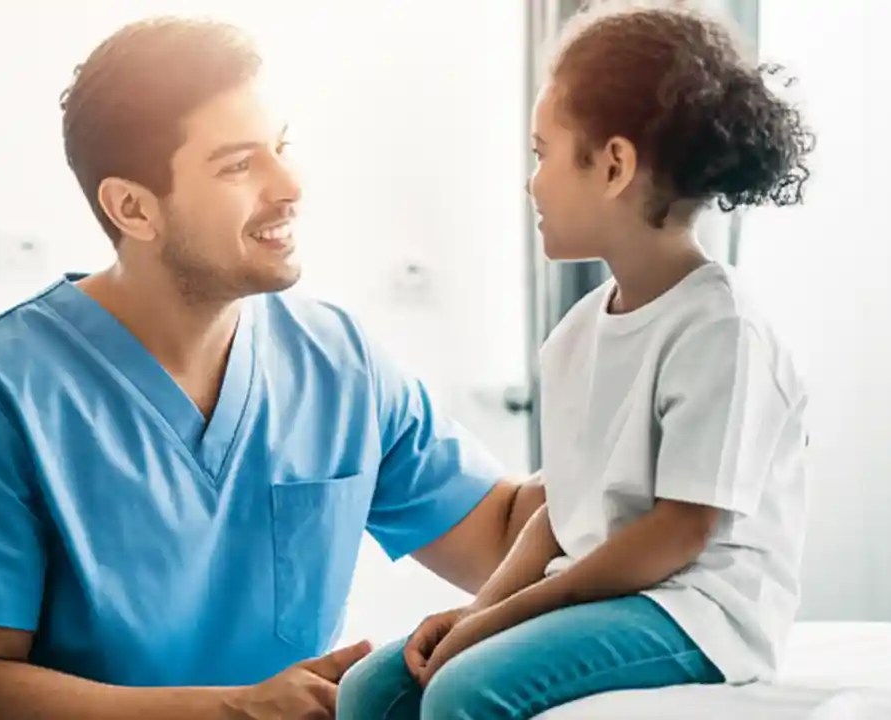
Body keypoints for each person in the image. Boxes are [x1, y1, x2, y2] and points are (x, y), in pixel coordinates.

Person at [0, 17, 543, 720]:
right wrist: (235, 710)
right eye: (238, 165)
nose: (289, 185)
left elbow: (504, 534)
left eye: (281, 148)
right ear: (132, 208)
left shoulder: (339, 363)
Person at [338, 3, 815, 719]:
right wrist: (478, 611)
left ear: (614, 165)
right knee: (372, 691)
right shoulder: (577, 334)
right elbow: (562, 512)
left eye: (543, 154)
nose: (530, 182)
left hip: (698, 611)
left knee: (467, 690)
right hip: (608, 591)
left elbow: (680, 533)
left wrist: (502, 620)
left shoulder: (722, 329)